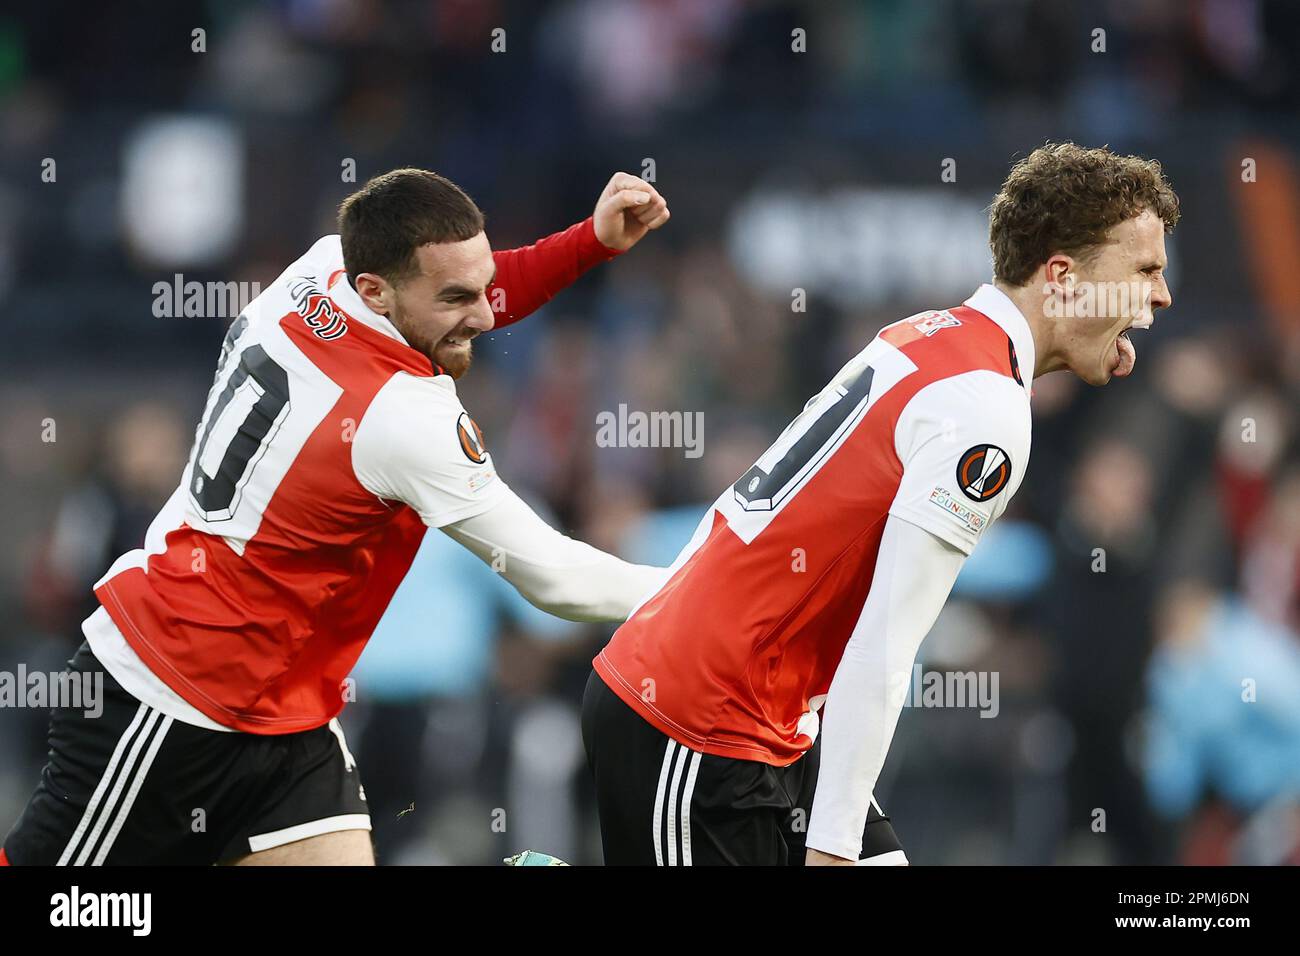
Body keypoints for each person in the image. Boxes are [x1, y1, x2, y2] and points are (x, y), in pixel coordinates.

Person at [1, 168, 671, 866]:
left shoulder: (325, 265)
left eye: (480, 287)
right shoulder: (404, 415)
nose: (481, 314)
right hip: (172, 695)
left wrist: (587, 242)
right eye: (456, 297)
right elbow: (556, 579)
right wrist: (717, 588)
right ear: (375, 292)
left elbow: (463, 287)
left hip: (286, 711)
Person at [582, 142, 1179, 865]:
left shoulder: (931, 337)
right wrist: (833, 849)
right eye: (1145, 270)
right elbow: (886, 645)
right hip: (699, 720)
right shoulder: (987, 409)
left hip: (764, 713)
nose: (1161, 296)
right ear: (1062, 276)